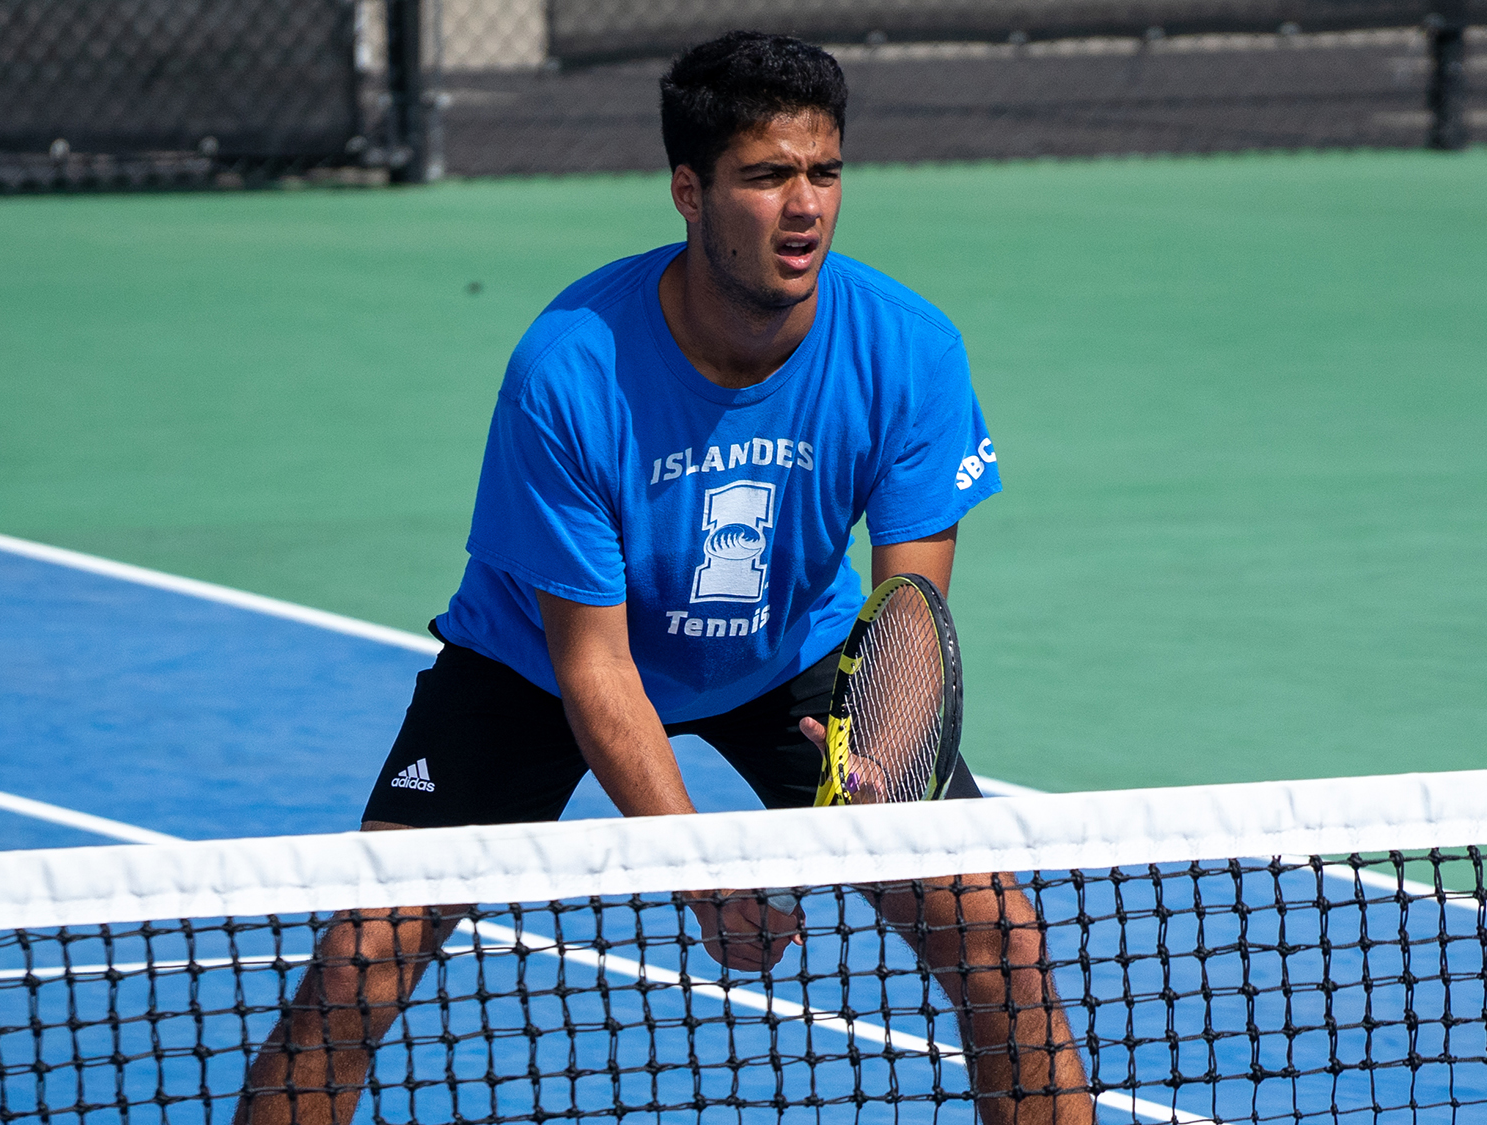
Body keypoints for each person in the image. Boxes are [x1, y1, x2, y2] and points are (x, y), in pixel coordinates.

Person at [237, 30, 1094, 1125]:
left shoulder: (907, 351)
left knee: (999, 944)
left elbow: (909, 612)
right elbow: (593, 669)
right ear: (687, 191)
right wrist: (706, 878)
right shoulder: (569, 371)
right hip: (536, 666)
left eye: (823, 173)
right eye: (765, 176)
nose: (803, 209)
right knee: (360, 962)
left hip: (790, 653)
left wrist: (880, 755)